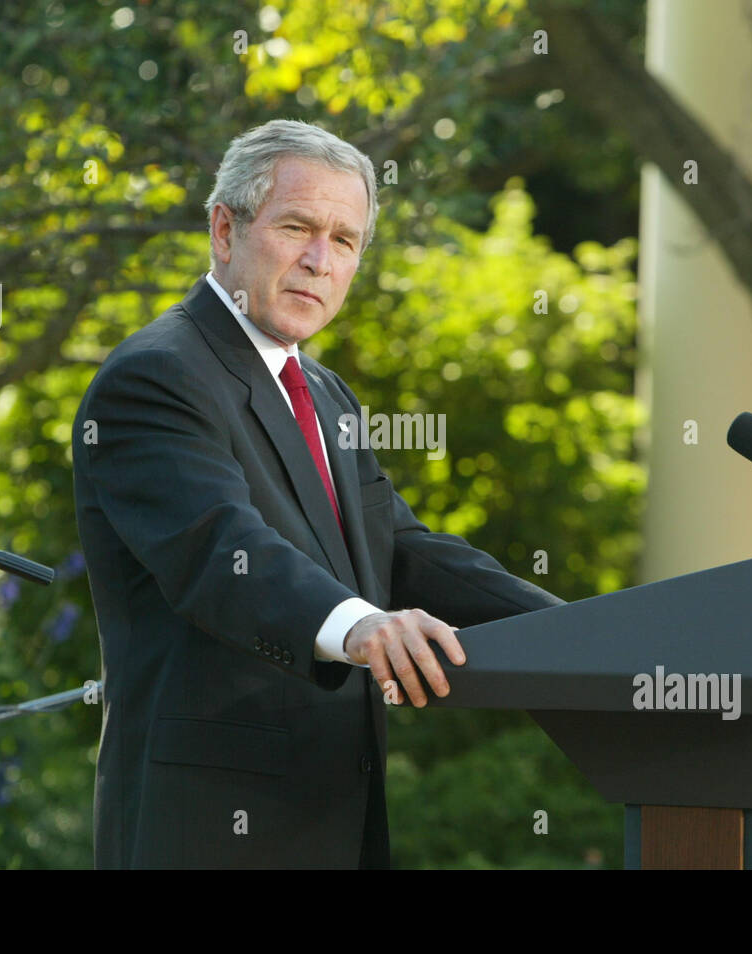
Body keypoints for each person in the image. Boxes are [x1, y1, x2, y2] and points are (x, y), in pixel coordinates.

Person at [72, 118, 563, 868]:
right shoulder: (157, 376)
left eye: (344, 241)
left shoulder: (326, 395)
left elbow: (399, 550)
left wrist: (578, 629)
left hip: (332, 817)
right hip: (206, 828)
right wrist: (363, 625)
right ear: (224, 229)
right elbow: (221, 549)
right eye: (297, 226)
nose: (318, 260)